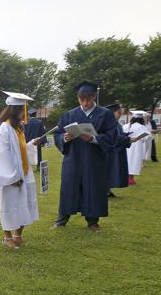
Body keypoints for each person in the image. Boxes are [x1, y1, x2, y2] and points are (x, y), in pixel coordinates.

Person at [52, 81, 121, 231]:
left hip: (94, 159)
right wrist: (64, 138)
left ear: (94, 97)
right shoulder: (69, 114)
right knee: (69, 187)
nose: (85, 103)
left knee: (94, 188)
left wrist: (93, 139)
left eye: (88, 99)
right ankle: (61, 220)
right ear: (78, 98)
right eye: (81, 99)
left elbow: (113, 136)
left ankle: (93, 222)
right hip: (73, 159)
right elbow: (57, 134)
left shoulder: (105, 114)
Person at [0, 92, 39, 248]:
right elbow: (1, 155)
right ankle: (7, 237)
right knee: (8, 204)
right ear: (15, 110)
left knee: (24, 203)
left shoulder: (18, 128)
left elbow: (19, 149)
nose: (23, 113)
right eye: (22, 109)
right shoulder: (3, 130)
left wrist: (31, 145)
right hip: (10, 175)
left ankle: (18, 234)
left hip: (24, 173)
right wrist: (12, 177)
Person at [104, 103, 130, 196]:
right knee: (109, 171)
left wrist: (126, 136)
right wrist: (128, 139)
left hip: (117, 152)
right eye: (119, 113)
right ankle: (105, 191)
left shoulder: (116, 124)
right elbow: (113, 138)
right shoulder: (109, 124)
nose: (120, 115)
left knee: (112, 172)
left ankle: (108, 190)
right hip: (111, 152)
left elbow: (118, 136)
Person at [125, 111, 150, 185]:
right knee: (134, 162)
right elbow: (147, 136)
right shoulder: (141, 126)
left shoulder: (126, 125)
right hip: (137, 146)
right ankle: (130, 178)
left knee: (128, 161)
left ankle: (127, 178)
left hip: (127, 145)